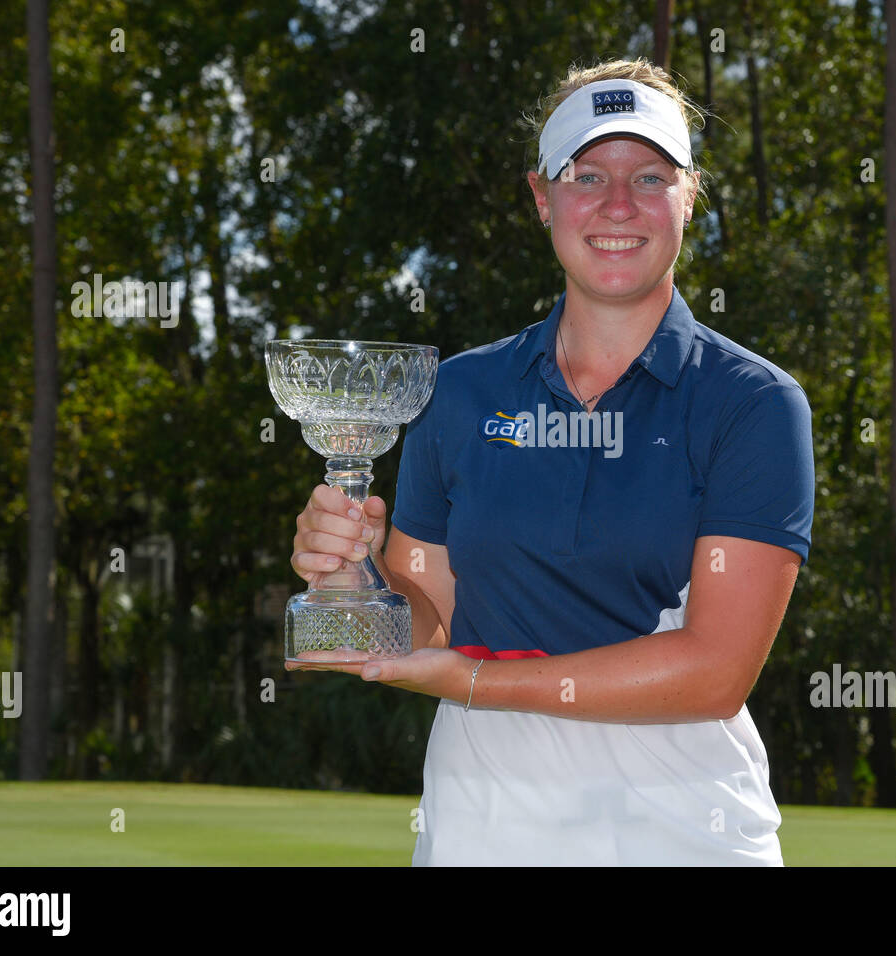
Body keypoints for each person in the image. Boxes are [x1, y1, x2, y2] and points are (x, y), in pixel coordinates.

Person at [288, 58, 814, 866]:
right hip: (479, 834)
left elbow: (713, 673)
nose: (616, 205)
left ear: (689, 197)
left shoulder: (751, 403)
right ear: (542, 197)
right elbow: (427, 614)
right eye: (587, 174)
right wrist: (350, 580)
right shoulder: (456, 392)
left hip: (682, 839)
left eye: (649, 177)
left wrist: (473, 683)